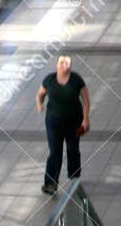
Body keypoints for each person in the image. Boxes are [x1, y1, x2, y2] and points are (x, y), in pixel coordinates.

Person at [36, 56, 90, 196]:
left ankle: (74, 177)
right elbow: (40, 94)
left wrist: (85, 119)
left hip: (74, 120)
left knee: (73, 149)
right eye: (61, 62)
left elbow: (85, 100)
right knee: (55, 152)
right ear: (56, 65)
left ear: (70, 66)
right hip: (53, 121)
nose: (64, 65)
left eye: (67, 63)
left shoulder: (76, 80)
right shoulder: (49, 79)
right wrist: (40, 104)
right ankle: (51, 183)